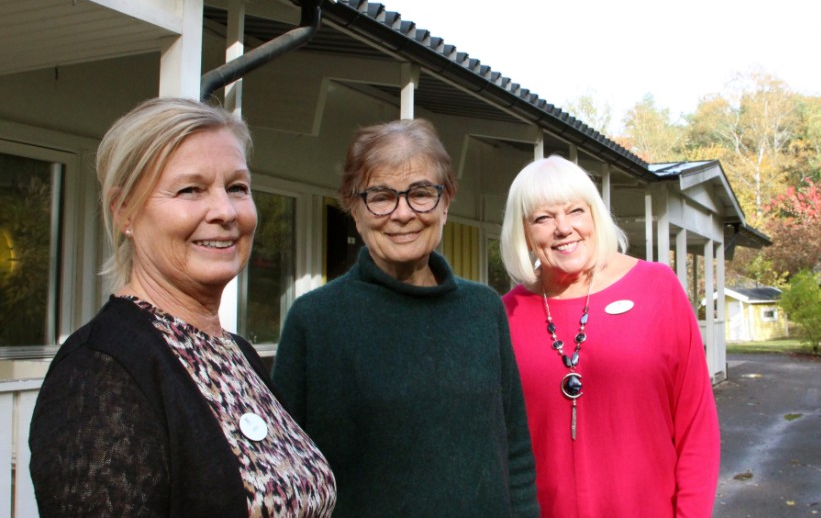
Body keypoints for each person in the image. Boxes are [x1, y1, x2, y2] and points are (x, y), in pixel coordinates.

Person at [29, 97, 337, 517]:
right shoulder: (98, 374)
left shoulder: (236, 353)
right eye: (191, 189)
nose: (225, 211)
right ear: (125, 212)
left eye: (237, 188)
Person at [272, 118, 539, 517]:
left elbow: (514, 448)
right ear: (353, 207)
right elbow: (286, 473)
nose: (402, 214)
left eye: (420, 193)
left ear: (446, 202)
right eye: (380, 196)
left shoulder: (483, 310)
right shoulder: (315, 321)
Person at [500, 155, 720, 517]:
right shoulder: (506, 315)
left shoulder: (657, 288)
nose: (563, 228)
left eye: (575, 211)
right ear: (522, 231)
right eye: (542, 218)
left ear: (594, 215)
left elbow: (696, 424)